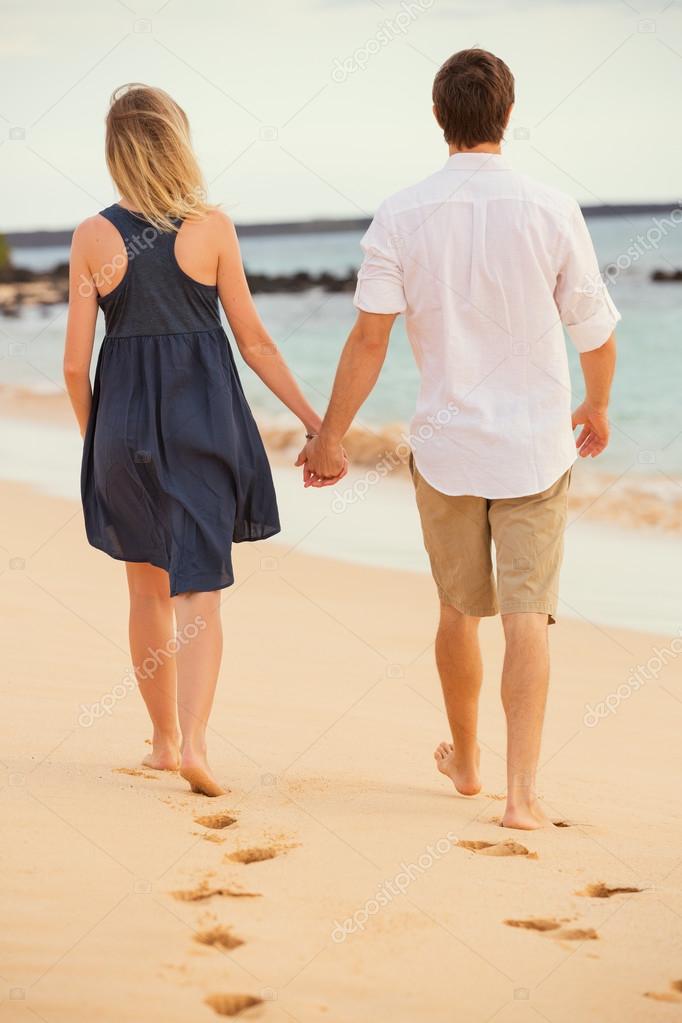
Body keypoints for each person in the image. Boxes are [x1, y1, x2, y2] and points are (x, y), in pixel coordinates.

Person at [299, 49, 618, 829]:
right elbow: (595, 330)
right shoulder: (551, 208)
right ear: (506, 113)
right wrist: (598, 405)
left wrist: (330, 436)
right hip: (535, 449)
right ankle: (520, 796)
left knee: (457, 610)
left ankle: (467, 761)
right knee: (528, 616)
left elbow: (369, 339)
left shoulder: (400, 213)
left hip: (447, 453)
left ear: (440, 117)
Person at [64, 84, 345, 797]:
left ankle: (162, 743)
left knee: (144, 589)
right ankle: (195, 743)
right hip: (204, 421)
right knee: (200, 593)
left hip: (121, 427)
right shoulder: (212, 228)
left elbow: (71, 365)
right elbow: (255, 342)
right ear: (177, 143)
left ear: (116, 152)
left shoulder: (92, 236)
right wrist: (318, 424)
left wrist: (97, 441)